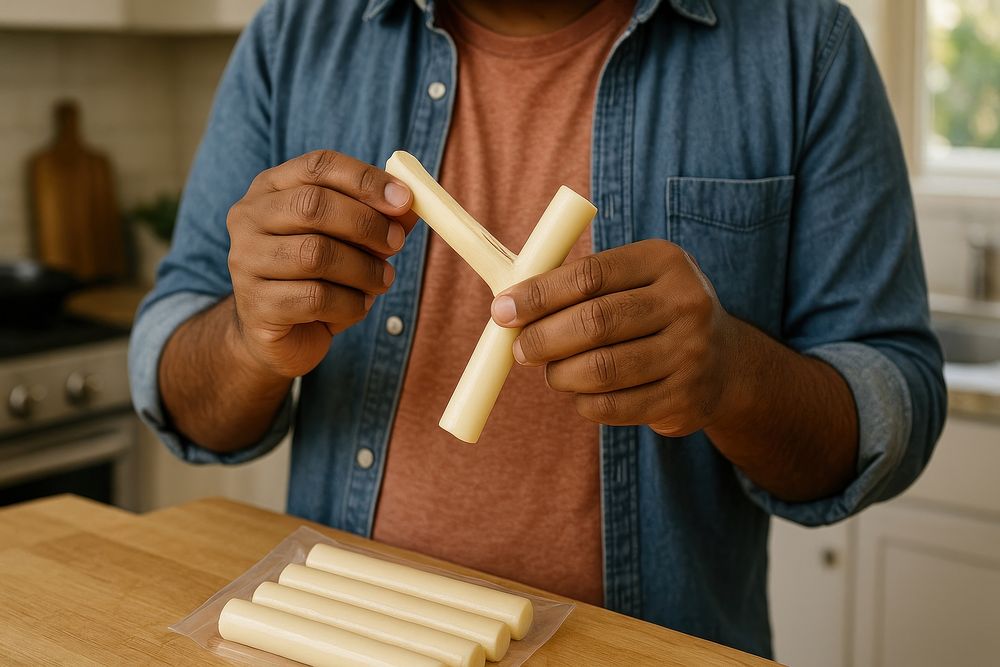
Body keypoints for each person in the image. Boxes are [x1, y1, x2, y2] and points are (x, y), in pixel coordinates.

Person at [129, 0, 946, 657]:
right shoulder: (295, 34)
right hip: (333, 636)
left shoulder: (805, 43)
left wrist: (731, 372)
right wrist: (248, 338)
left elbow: (894, 408)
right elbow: (181, 391)